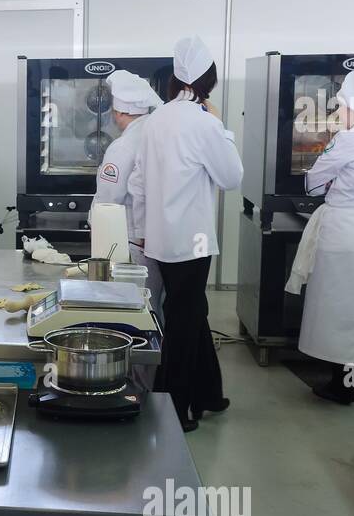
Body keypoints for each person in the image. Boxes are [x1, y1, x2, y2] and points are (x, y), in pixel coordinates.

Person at [129, 36, 243, 432]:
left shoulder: (157, 119)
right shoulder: (204, 122)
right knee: (183, 320)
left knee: (191, 313)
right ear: (209, 79)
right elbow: (232, 177)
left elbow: (138, 182)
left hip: (160, 239)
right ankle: (176, 410)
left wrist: (141, 231)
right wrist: (222, 126)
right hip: (192, 243)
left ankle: (210, 393)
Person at [285, 71, 354, 405]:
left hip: (344, 232)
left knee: (340, 311)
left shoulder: (350, 139)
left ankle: (341, 386)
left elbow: (314, 182)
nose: (340, 113)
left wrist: (331, 184)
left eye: (343, 106)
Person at [92, 69, 164, 321]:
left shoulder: (122, 146)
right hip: (157, 239)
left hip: (131, 241)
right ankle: (157, 357)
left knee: (134, 310)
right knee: (154, 305)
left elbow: (108, 202)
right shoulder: (157, 133)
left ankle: (141, 360)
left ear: (119, 111)